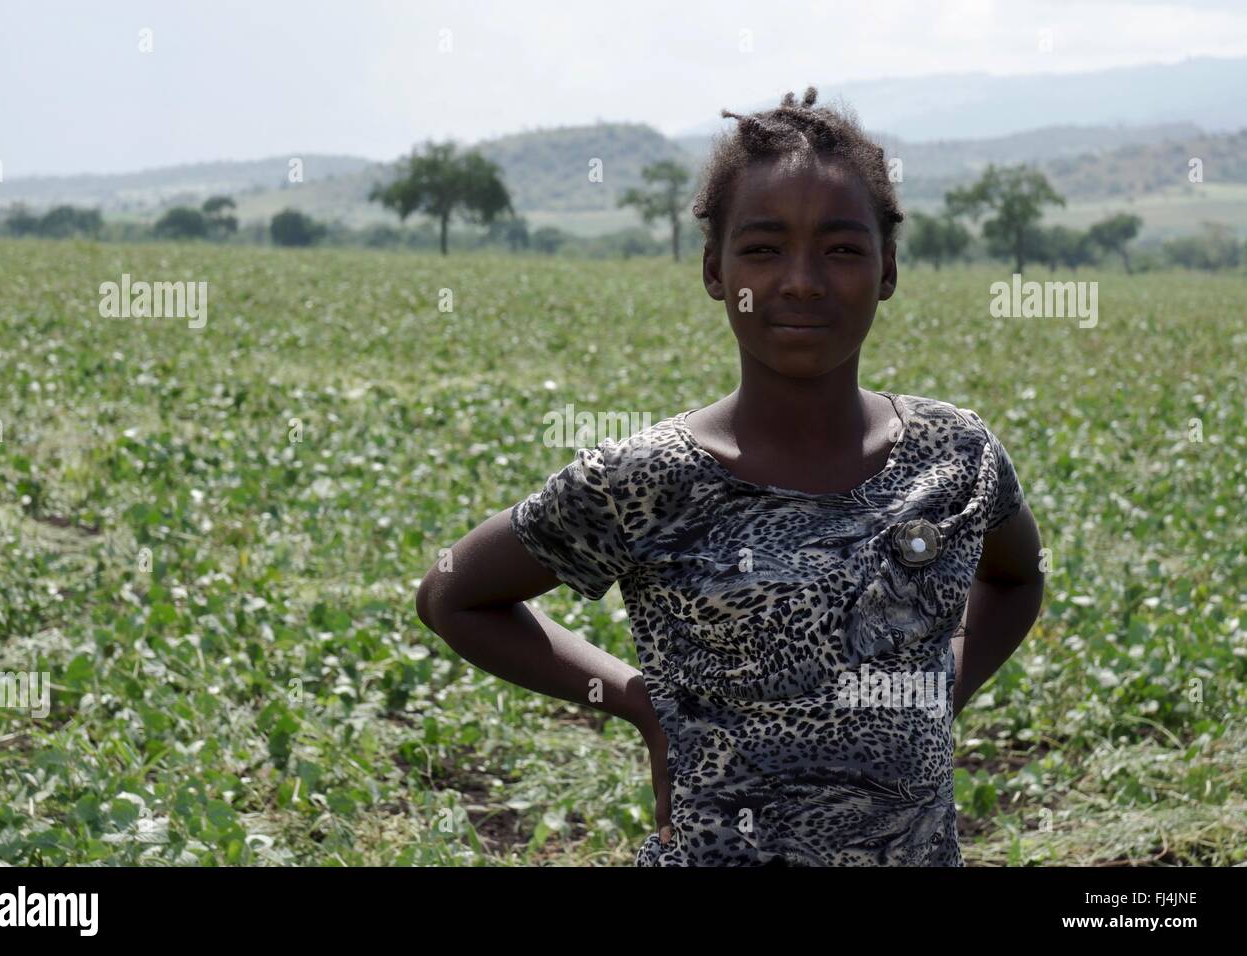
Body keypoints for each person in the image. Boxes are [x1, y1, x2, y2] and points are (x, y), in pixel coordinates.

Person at [415, 86, 1045, 866]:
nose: (803, 281)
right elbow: (453, 594)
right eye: (764, 248)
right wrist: (637, 700)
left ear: (888, 271)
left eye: (843, 249)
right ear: (715, 270)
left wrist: (944, 687)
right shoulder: (651, 477)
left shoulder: (955, 455)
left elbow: (1019, 579)